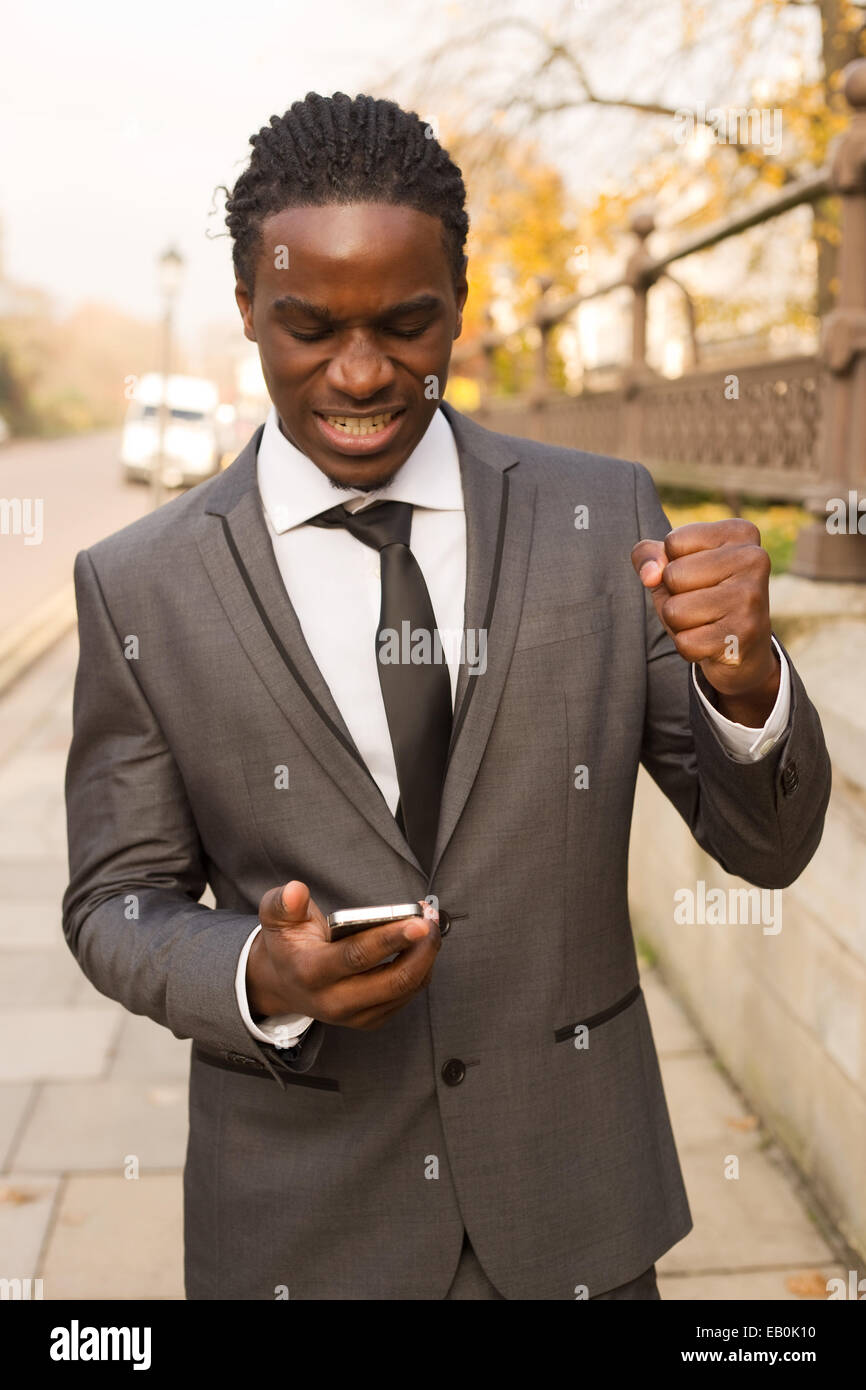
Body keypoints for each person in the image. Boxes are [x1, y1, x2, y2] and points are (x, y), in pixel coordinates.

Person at [62, 92, 831, 1301]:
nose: (361, 375)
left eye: (407, 326)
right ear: (244, 312)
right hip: (297, 1234)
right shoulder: (137, 584)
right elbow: (116, 903)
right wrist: (258, 977)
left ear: (461, 303)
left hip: (575, 1209)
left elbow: (768, 847)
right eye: (307, 328)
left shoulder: (603, 518)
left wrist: (745, 682)